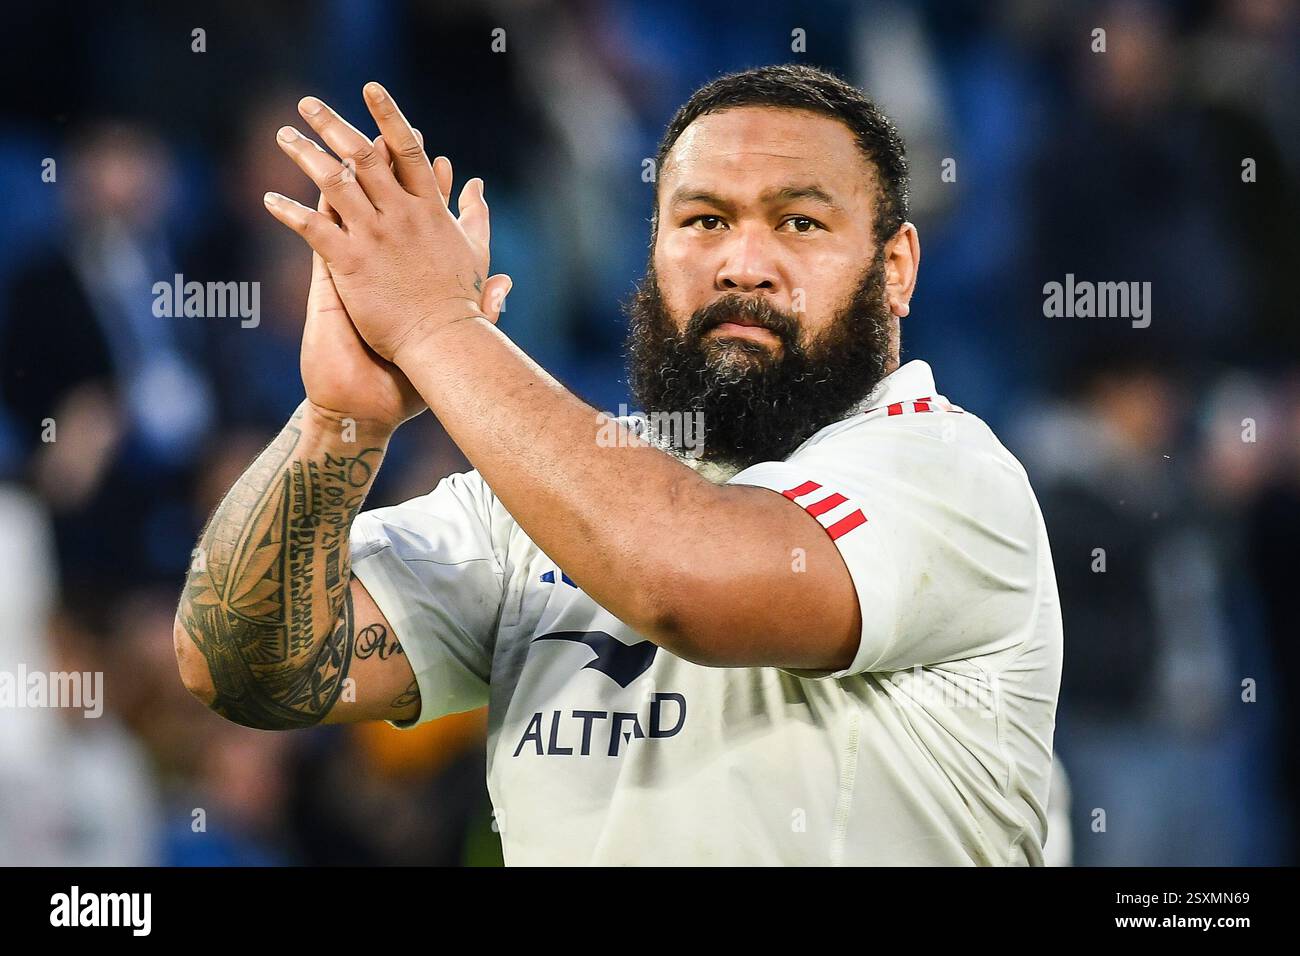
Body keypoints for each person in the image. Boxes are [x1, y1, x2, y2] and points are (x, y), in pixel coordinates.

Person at [174, 64, 1063, 865]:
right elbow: (245, 668)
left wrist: (438, 329)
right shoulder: (540, 499)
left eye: (798, 222)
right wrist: (341, 423)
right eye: (704, 220)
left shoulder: (949, 473)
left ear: (895, 267)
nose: (743, 264)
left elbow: (684, 579)